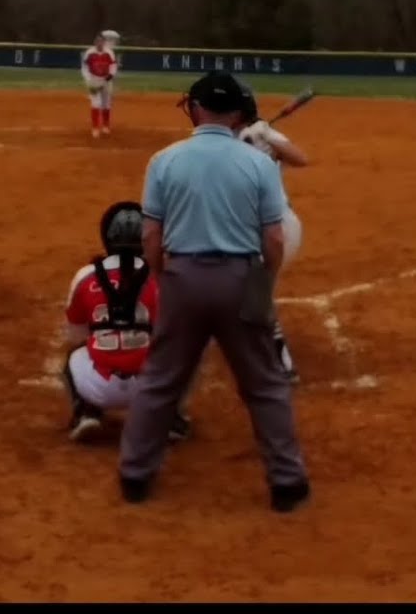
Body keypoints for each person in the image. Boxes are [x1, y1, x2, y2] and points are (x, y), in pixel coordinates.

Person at [118, 70, 310, 513]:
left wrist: (165, 276)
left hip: (183, 276)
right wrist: (262, 283)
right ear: (238, 113)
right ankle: (287, 483)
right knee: (265, 384)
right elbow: (274, 238)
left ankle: (135, 476)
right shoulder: (259, 163)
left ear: (197, 108)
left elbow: (151, 235)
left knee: (161, 381)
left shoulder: (164, 160)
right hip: (241, 276)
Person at [60, 201, 190, 443]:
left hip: (99, 386)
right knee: (181, 348)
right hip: (150, 388)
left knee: (73, 355)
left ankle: (86, 413)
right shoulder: (160, 276)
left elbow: (77, 336)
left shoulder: (85, 276)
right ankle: (169, 417)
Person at [238, 116, 309, 382]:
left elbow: (300, 159)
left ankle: (281, 359)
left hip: (277, 228)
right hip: (251, 230)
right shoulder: (219, 139)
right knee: (243, 288)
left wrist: (267, 137)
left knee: (254, 290)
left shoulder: (261, 132)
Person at [82, 34, 118, 139]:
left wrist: (110, 76)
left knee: (106, 104)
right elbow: (84, 68)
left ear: (104, 42)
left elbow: (113, 66)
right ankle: (95, 128)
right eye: (97, 41)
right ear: (95, 42)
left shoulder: (109, 52)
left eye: (101, 41)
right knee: (96, 103)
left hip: (106, 80)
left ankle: (106, 126)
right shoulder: (89, 53)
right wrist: (89, 81)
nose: (99, 43)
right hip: (94, 79)